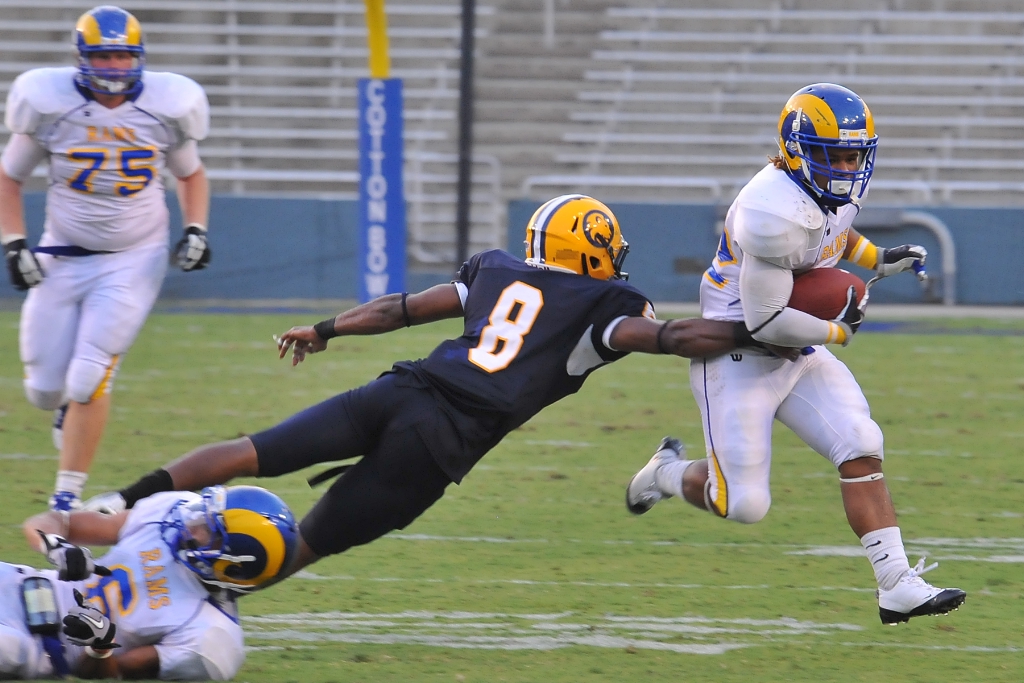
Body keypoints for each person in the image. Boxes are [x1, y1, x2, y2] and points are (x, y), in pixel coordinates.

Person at [81, 194, 793, 583]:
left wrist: (326, 327)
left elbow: (399, 308)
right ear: (595, 252)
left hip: (400, 389)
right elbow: (671, 338)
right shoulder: (609, 304)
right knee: (305, 543)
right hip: (440, 442)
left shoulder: (495, 268)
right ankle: (177, 599)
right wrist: (761, 331)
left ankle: (122, 502)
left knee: (251, 449)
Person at [625, 83, 965, 624]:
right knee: (741, 504)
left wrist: (878, 255)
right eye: (836, 156)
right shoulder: (769, 211)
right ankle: (666, 473)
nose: (848, 167)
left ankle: (897, 583)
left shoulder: (828, 188)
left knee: (860, 441)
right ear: (797, 149)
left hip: (795, 346)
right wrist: (839, 330)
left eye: (856, 154)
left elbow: (835, 230)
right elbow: (765, 319)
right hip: (737, 352)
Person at [0, 5, 213, 512]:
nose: (115, 67)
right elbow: (9, 177)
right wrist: (14, 243)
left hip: (133, 258)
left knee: (89, 376)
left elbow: (190, 174)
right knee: (45, 390)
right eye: (104, 56)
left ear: (139, 58)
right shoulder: (50, 105)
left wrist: (197, 228)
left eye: (123, 56)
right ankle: (65, 410)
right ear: (82, 58)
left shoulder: (165, 106)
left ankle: (66, 495)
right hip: (62, 254)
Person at [0, 484, 297, 679]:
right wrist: (57, 546)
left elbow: (109, 673)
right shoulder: (175, 512)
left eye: (208, 529)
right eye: (204, 514)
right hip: (17, 581)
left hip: (35, 644)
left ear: (232, 566)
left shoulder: (211, 635)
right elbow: (50, 522)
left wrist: (99, 645)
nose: (192, 524)